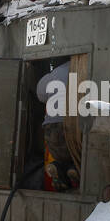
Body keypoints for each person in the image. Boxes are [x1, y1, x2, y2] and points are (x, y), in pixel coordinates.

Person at [36, 60, 79, 190]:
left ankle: (58, 167)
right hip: (74, 128)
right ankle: (75, 170)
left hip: (51, 130)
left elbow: (40, 95)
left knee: (62, 158)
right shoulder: (85, 69)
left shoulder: (54, 74)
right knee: (78, 157)